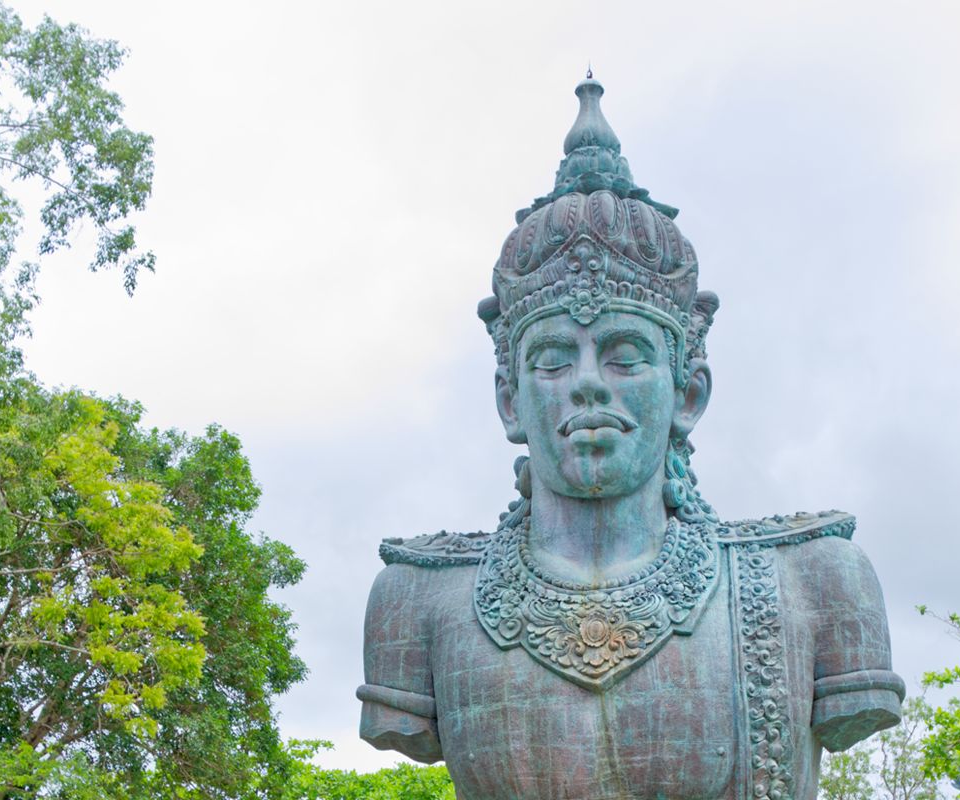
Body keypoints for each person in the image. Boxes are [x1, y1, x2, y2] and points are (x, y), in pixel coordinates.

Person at [357, 76, 903, 800]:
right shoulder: (420, 602)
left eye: (624, 353)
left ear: (688, 392)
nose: (588, 383)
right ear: (509, 403)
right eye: (552, 359)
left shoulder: (816, 580)